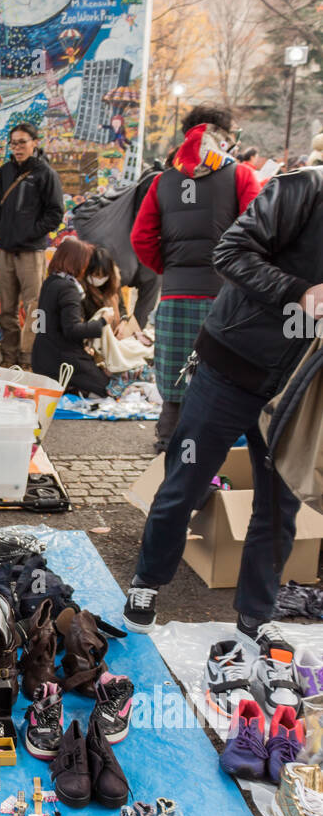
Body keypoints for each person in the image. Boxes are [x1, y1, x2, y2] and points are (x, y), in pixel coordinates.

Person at [123, 166, 323, 639]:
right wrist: (299, 292)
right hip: (232, 364)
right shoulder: (301, 190)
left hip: (294, 389)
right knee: (185, 483)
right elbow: (229, 251)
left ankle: (256, 614)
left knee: (279, 508)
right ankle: (147, 581)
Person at [130, 106, 260, 451]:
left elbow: (141, 239)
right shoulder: (242, 175)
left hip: (175, 295)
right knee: (222, 374)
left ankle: (169, 443)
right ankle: (214, 449)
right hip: (226, 296)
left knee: (176, 374)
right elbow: (259, 232)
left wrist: (170, 268)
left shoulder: (163, 180)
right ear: (223, 135)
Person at [0, 122, 64, 367]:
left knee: (34, 309)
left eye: (23, 142)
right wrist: (0, 232)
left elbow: (55, 214)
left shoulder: (46, 174)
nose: (18, 147)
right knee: (7, 310)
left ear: (35, 142)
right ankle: (8, 358)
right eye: (14, 143)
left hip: (31, 252)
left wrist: (30, 233)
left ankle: (28, 360)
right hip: (6, 250)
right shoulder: (5, 171)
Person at [30, 238, 110, 397]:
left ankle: (71, 387)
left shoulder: (51, 282)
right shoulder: (68, 289)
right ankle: (73, 386)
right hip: (62, 360)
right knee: (106, 387)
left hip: (41, 358)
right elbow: (72, 330)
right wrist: (102, 322)